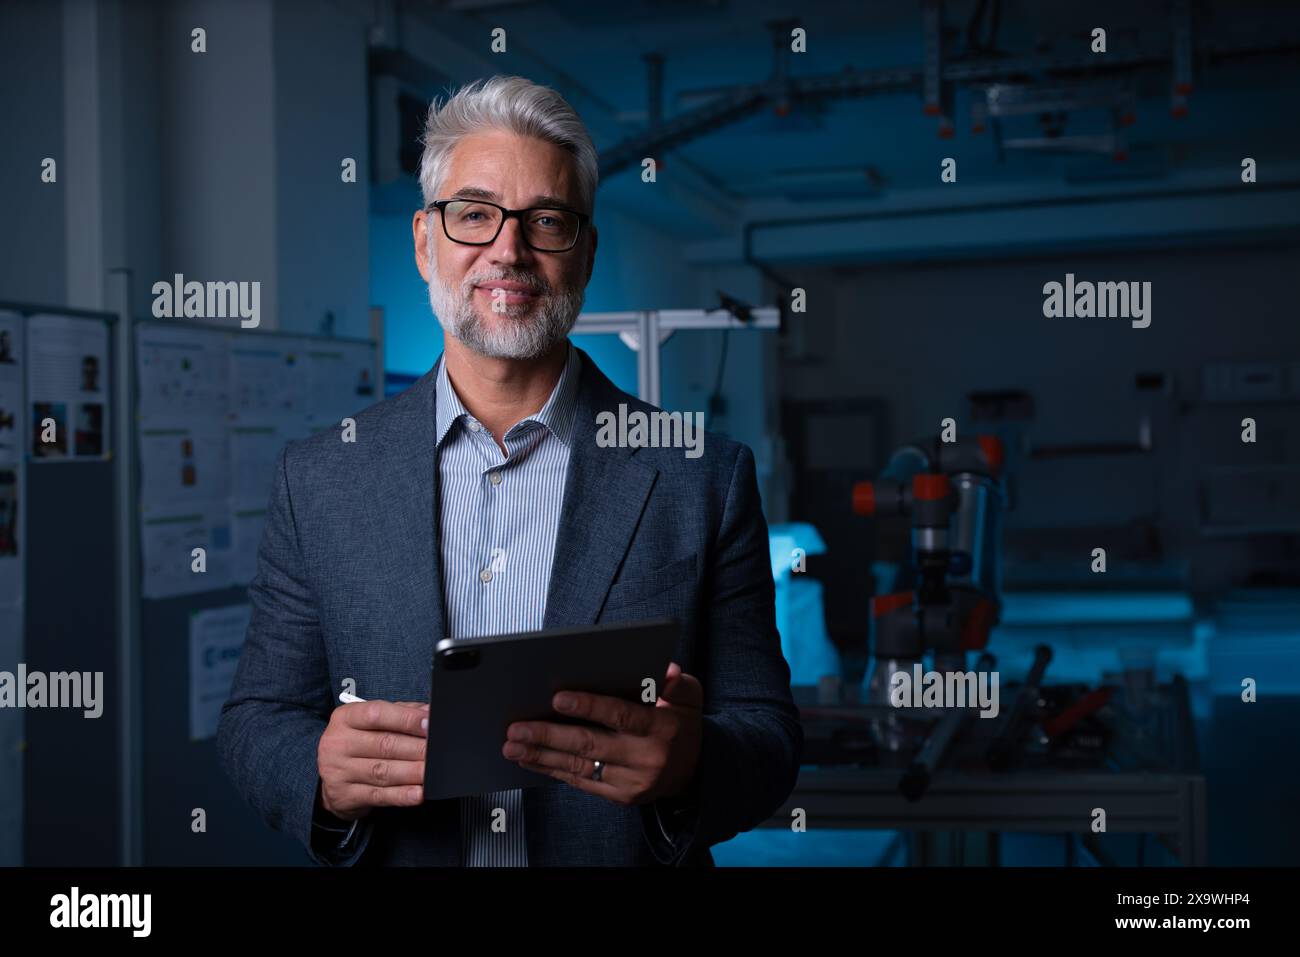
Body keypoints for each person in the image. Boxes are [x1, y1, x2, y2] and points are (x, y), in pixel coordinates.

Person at [217, 75, 801, 866]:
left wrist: (690, 763)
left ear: (585, 252)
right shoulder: (320, 478)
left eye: (547, 220)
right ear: (426, 241)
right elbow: (258, 718)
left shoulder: (703, 475)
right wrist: (320, 771)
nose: (508, 250)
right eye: (474, 214)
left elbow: (766, 734)